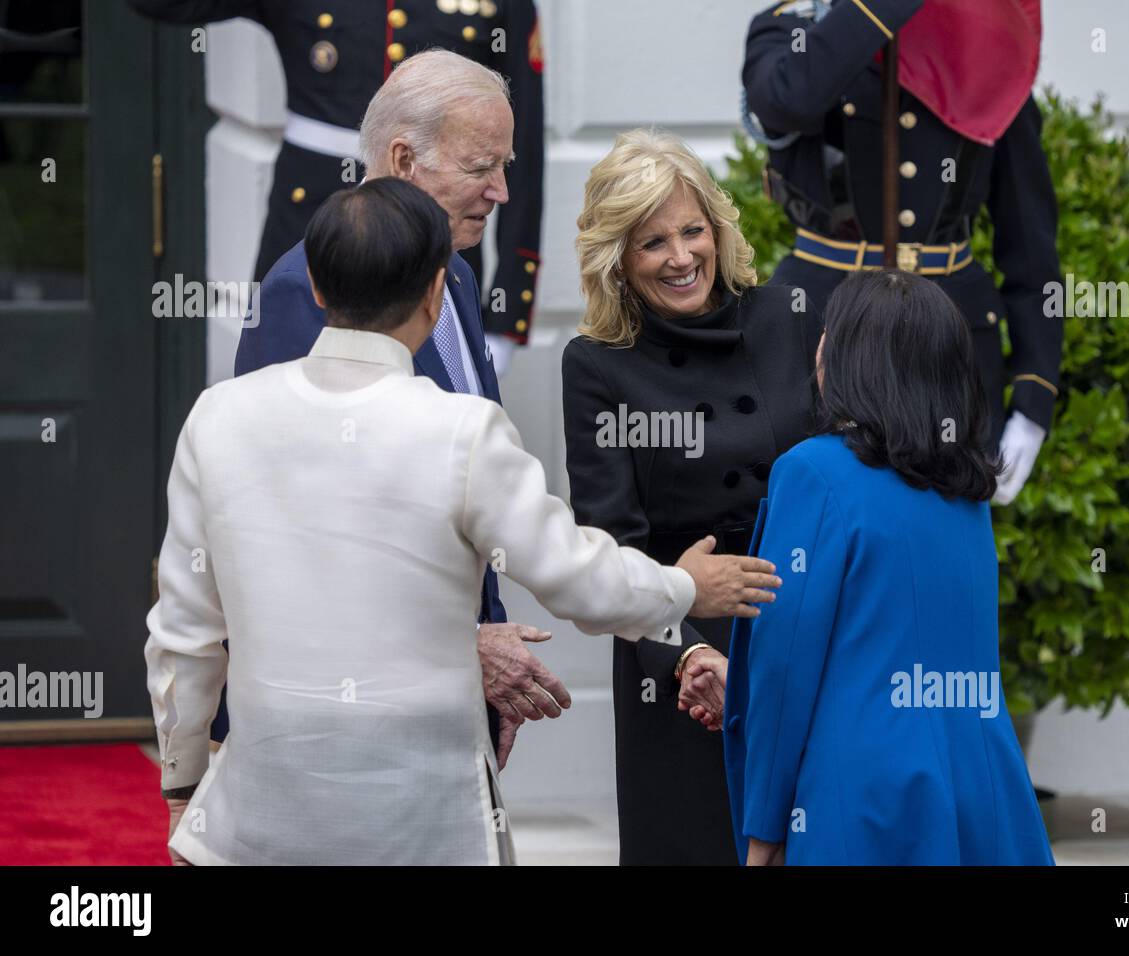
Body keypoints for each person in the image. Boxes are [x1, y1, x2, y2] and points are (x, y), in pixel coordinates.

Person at [146, 177, 780, 865]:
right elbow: (577, 580)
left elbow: (183, 632)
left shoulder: (217, 415)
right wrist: (683, 588)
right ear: (434, 293)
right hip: (424, 821)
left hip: (256, 818)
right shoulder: (462, 430)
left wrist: (181, 781)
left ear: (319, 291)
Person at [225, 50, 546, 767]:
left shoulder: (454, 272)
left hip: (451, 704)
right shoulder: (300, 289)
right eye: (479, 166)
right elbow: (302, 535)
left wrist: (487, 645)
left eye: (505, 165)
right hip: (344, 725)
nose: (499, 190)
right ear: (403, 158)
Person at [716, 269, 1054, 866]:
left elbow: (785, 662)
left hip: (862, 799)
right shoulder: (966, 491)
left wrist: (763, 824)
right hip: (985, 786)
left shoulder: (812, 472)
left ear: (851, 359)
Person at [561, 129, 822, 865]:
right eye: (652, 243)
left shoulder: (784, 317)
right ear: (616, 257)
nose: (681, 258)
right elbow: (611, 546)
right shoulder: (596, 365)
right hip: (676, 646)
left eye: (691, 230)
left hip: (793, 631)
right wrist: (685, 652)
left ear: (717, 227)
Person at [742, 0, 1063, 503]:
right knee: (816, 530)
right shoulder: (792, 27)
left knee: (944, 546)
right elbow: (789, 99)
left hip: (950, 346)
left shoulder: (983, 43)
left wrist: (1034, 395)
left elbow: (1029, 244)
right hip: (821, 332)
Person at [127, 0, 544, 367]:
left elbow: (517, 148)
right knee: (283, 389)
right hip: (311, 222)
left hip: (438, 233)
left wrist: (507, 311)